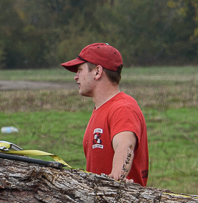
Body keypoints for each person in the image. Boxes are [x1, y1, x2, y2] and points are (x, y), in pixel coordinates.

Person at [61, 43, 148, 185]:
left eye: (79, 70)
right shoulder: (101, 108)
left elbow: (125, 145)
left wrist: (117, 178)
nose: (76, 77)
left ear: (97, 71)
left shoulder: (122, 108)